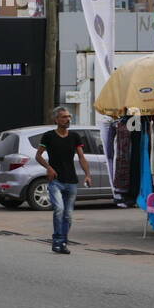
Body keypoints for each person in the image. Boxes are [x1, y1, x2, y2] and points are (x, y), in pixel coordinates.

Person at [34, 107, 91, 255]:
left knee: (68, 215)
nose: (68, 120)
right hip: (56, 181)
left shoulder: (74, 137)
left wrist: (87, 174)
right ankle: (57, 241)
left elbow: (82, 157)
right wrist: (49, 167)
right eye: (64, 117)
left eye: (69, 117)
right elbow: (38, 155)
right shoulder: (49, 136)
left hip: (71, 181)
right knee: (59, 209)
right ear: (56, 120)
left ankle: (63, 243)